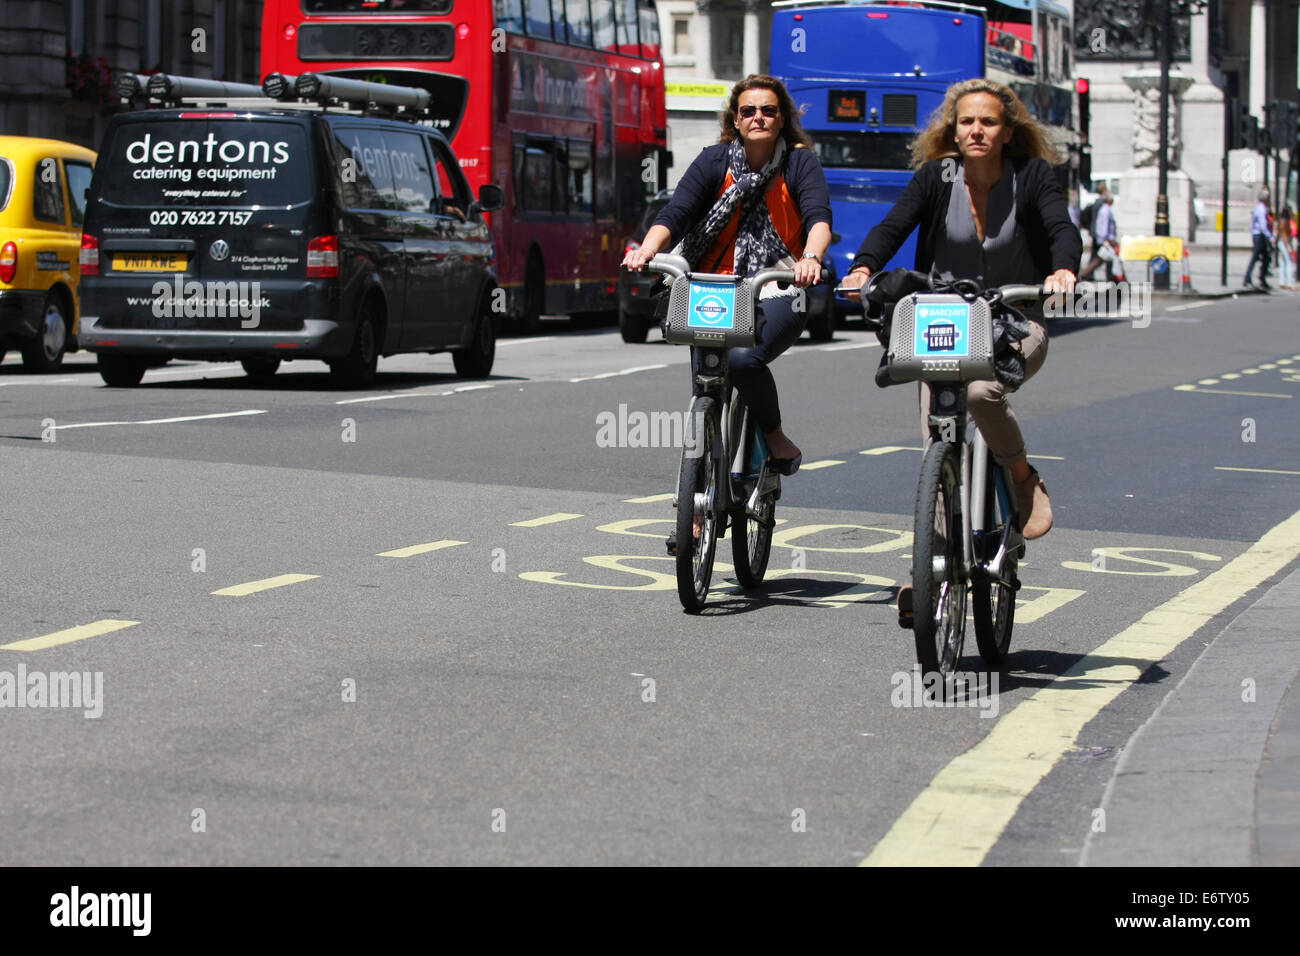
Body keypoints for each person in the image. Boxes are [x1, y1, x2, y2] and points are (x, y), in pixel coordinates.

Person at [840, 78, 1079, 554]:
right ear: (954, 131)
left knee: (979, 391)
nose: (977, 131)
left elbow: (1060, 227)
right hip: (945, 325)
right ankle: (932, 572)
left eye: (988, 122)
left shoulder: (1031, 176)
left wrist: (1063, 270)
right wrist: (863, 267)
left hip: (1017, 320)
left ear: (1007, 131)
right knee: (938, 443)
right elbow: (894, 224)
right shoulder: (937, 177)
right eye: (966, 122)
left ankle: (1021, 476)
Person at [623, 74, 832, 476]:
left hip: (776, 285)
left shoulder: (799, 161)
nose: (758, 117)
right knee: (706, 386)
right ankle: (697, 503)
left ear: (781, 119)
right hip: (710, 287)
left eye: (768, 111)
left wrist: (809, 257)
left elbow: (818, 217)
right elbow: (676, 213)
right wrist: (648, 249)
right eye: (748, 111)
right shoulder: (714, 160)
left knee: (741, 362)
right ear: (735, 120)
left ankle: (773, 435)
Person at [1078, 184, 1118, 282]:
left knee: (1098, 259)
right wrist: (1105, 240)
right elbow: (1102, 226)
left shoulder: (1099, 204)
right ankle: (1085, 274)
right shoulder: (1104, 209)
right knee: (1099, 260)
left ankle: (1087, 274)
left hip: (1099, 237)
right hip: (1104, 239)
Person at [1244, 188, 1272, 290]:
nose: (1269, 199)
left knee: (1266, 258)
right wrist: (1270, 237)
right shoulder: (1261, 209)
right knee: (1256, 257)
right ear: (1265, 198)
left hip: (1259, 235)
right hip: (1260, 236)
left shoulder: (1260, 208)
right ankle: (1247, 279)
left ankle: (1262, 279)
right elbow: (1263, 226)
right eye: (1268, 197)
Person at [1275, 204, 1296, 290]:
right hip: (1284, 243)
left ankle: (1282, 282)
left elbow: (1278, 233)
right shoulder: (1285, 222)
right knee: (1289, 262)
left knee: (1283, 262)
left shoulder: (1281, 221)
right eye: (1291, 211)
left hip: (1281, 243)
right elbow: (1285, 236)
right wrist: (1288, 247)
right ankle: (1291, 283)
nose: (1292, 213)